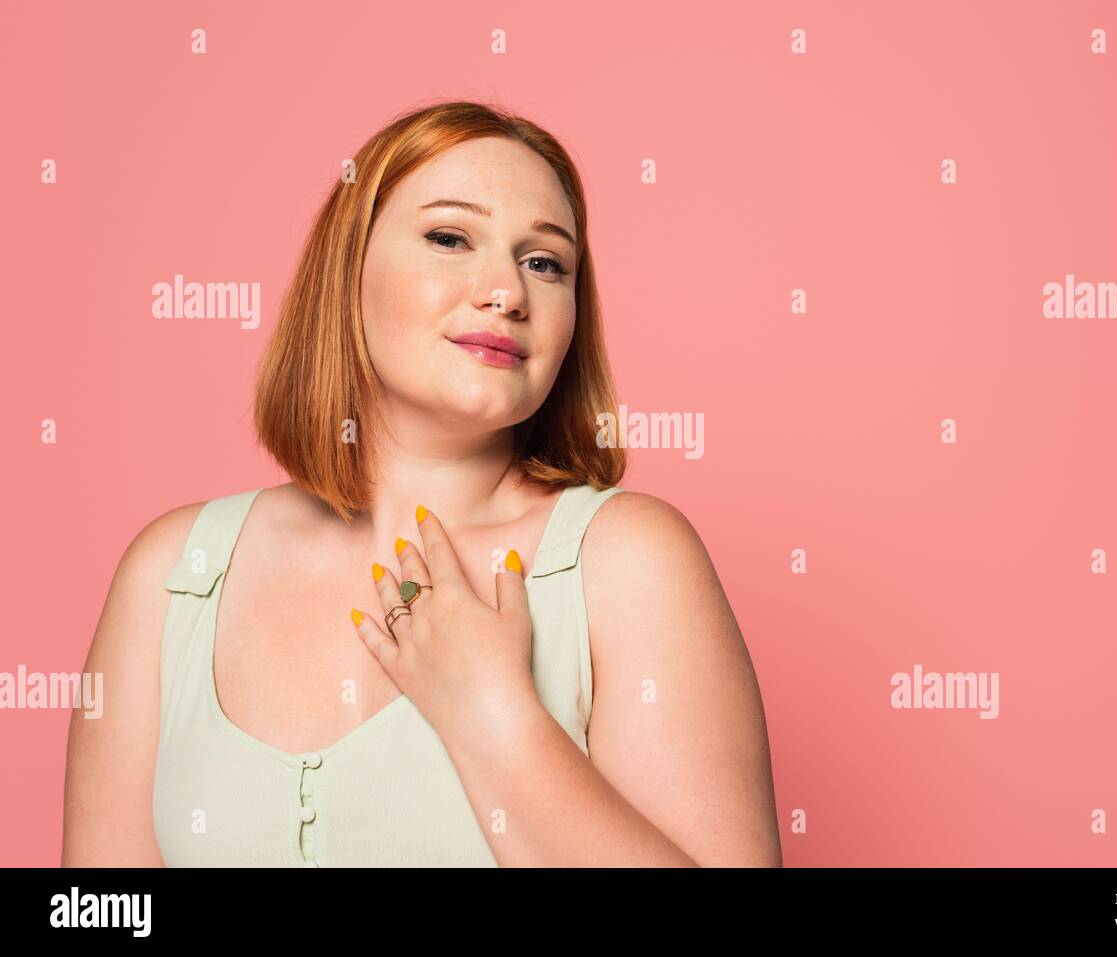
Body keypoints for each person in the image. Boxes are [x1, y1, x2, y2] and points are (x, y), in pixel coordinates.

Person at [62, 100, 781, 867]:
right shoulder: (175, 575)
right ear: (347, 272)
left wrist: (493, 710)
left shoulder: (630, 562)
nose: (507, 291)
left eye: (545, 261)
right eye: (449, 237)